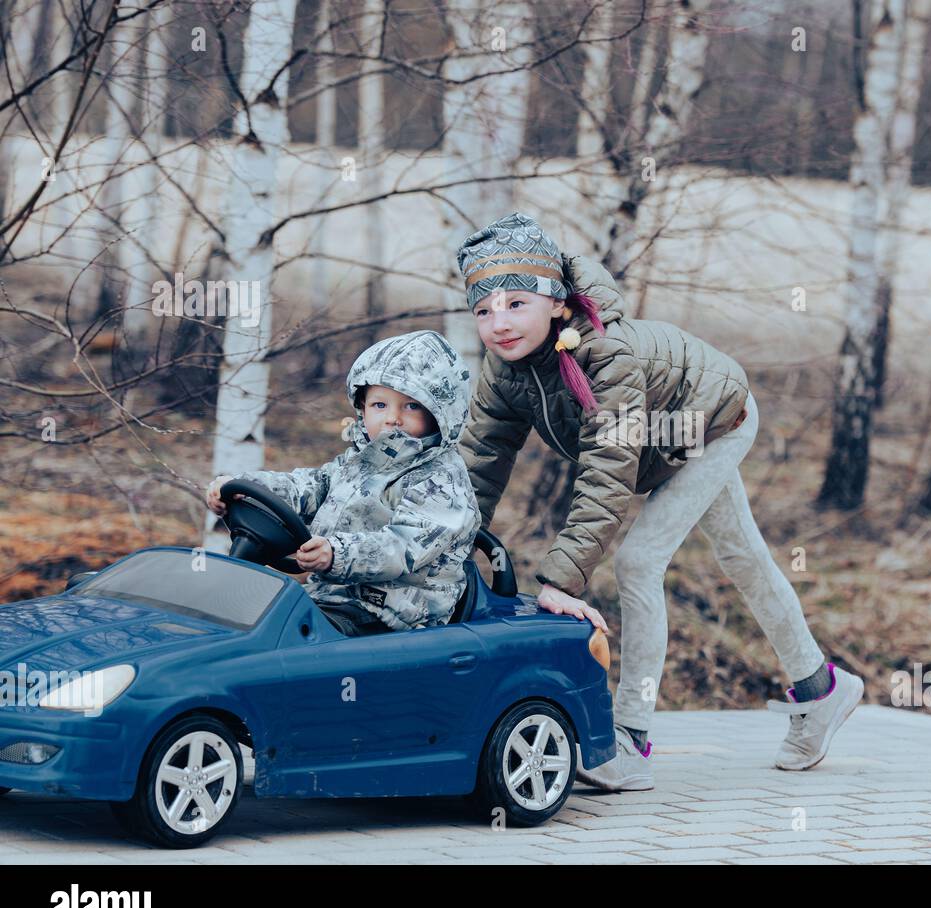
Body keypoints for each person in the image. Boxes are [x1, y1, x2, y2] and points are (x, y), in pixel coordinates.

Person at [455, 210, 864, 791]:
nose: (499, 322)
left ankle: (630, 736)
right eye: (483, 309)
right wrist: (441, 546)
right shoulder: (504, 370)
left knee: (638, 562)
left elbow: (606, 473)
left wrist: (562, 580)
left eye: (516, 303)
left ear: (556, 303)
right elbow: (481, 462)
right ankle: (822, 689)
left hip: (714, 420)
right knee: (743, 558)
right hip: (663, 442)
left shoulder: (606, 356)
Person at [206, 330, 480, 636]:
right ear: (362, 408)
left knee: (283, 637)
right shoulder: (360, 461)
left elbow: (400, 547)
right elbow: (309, 486)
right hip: (331, 596)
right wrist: (243, 487)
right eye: (380, 405)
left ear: (441, 415)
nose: (392, 419)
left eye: (411, 406)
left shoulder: (442, 482)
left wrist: (336, 554)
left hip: (393, 614)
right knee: (232, 613)